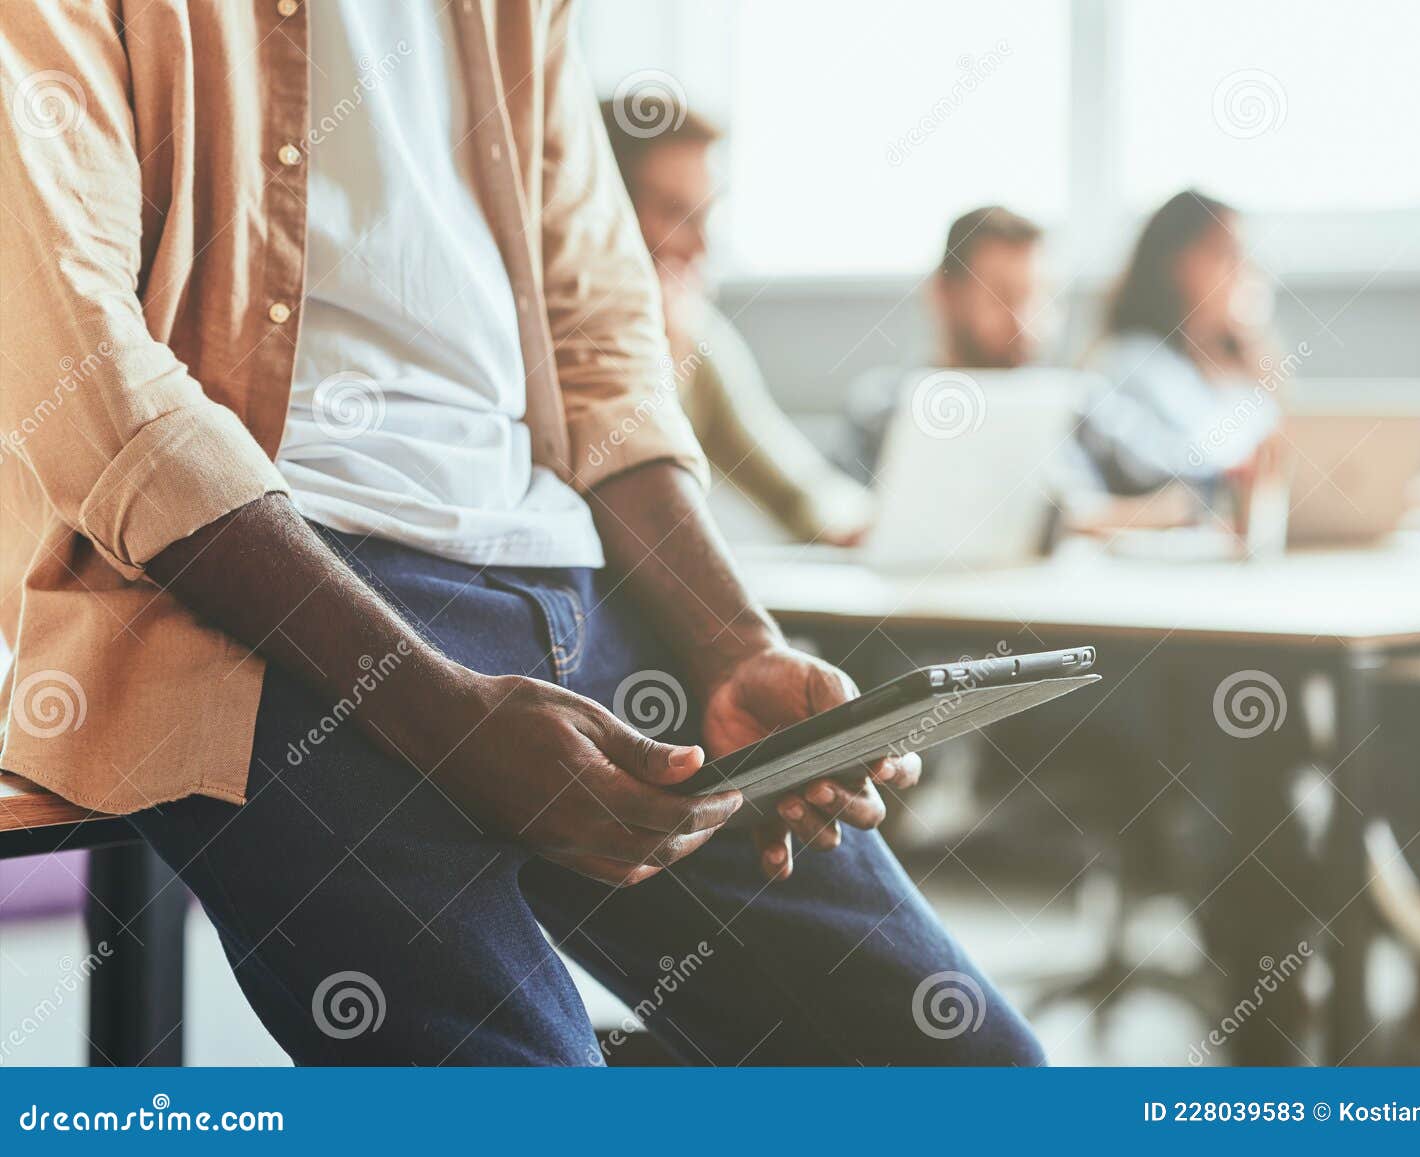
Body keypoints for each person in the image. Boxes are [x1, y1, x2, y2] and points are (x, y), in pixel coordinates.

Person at [0, 1, 1041, 1066]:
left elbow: (603, 340)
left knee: (974, 1069)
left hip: (577, 591)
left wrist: (729, 637)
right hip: (260, 612)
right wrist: (431, 711)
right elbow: (82, 373)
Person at [598, 96, 872, 545]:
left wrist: (875, 524)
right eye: (674, 213)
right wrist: (654, 369)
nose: (700, 248)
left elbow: (799, 488)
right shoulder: (537, 340)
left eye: (705, 215)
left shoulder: (695, 334)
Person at [1077, 189, 1283, 517]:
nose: (1241, 272)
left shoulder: (1227, 371)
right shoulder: (1129, 360)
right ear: (1176, 263)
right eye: (1226, 255)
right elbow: (1171, 464)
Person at [840, 205, 1054, 480]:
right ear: (943, 294)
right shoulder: (881, 409)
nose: (1023, 324)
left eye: (1035, 299)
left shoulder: (1081, 407)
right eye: (1001, 297)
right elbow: (837, 512)